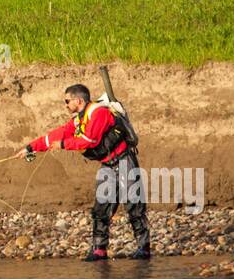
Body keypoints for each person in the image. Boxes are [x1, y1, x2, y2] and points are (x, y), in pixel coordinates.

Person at [12, 83, 151, 261]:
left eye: (67, 101)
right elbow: (57, 134)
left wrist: (63, 145)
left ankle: (144, 248)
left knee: (134, 206)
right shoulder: (79, 119)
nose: (66, 105)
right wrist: (30, 148)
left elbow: (89, 141)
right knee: (101, 208)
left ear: (78, 100)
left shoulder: (99, 113)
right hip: (107, 165)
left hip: (125, 161)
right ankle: (99, 250)